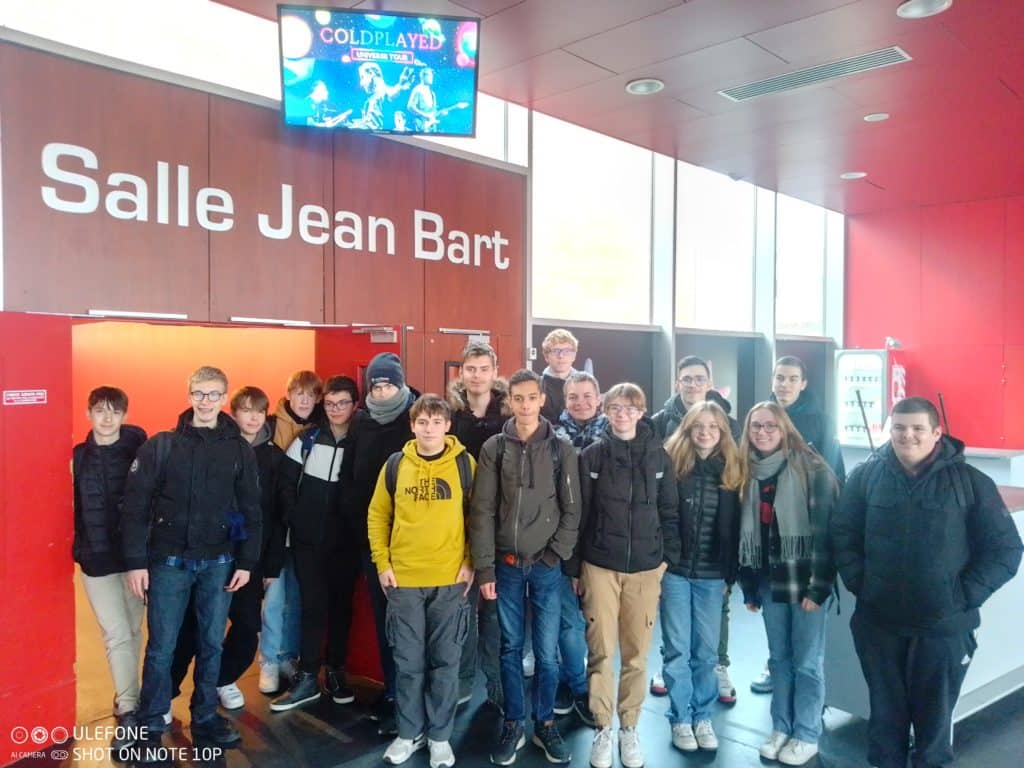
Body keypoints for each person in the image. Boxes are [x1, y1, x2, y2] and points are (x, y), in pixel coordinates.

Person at [832, 397, 1023, 768]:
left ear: (937, 433)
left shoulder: (972, 483)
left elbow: (1005, 550)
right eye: (900, 427)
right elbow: (843, 533)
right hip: (879, 624)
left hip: (943, 630)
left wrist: (961, 596)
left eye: (918, 428)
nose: (908, 436)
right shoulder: (865, 477)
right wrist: (862, 583)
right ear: (890, 429)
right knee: (884, 723)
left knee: (934, 732)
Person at [121, 366, 262, 759]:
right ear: (188, 396)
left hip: (218, 563)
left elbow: (253, 510)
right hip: (167, 562)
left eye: (213, 394)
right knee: (161, 647)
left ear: (223, 397)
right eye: (199, 393)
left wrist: (247, 561)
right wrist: (136, 562)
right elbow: (135, 507)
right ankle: (151, 723)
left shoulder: (238, 450)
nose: (205, 401)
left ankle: (204, 720)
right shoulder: (162, 446)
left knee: (212, 644)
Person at [469, 368, 581, 766]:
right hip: (507, 567)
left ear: (541, 400)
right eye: (518, 398)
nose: (525, 404)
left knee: (548, 654)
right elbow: (481, 511)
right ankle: (514, 722)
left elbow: (573, 510)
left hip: (547, 567)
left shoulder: (561, 448)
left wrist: (556, 555)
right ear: (510, 402)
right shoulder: (494, 448)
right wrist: (484, 569)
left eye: (532, 397)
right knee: (510, 649)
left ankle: (545, 723)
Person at [570, 383, 677, 768]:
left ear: (641, 411)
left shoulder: (660, 457)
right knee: (601, 652)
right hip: (600, 565)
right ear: (606, 411)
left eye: (629, 408)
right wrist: (575, 567)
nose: (621, 414)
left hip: (646, 569)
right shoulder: (593, 456)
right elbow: (580, 516)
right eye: (614, 407)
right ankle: (603, 727)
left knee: (636, 654)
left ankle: (629, 727)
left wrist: (665, 561)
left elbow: (670, 514)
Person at [368, 394, 475, 768]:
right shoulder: (396, 465)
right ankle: (408, 733)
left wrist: (470, 561)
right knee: (408, 663)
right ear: (412, 425)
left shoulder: (465, 465)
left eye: (436, 422)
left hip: (449, 580)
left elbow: (479, 517)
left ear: (447, 426)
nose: (429, 429)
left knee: (446, 662)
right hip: (404, 581)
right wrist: (383, 563)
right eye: (422, 422)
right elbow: (377, 516)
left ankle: (440, 737)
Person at [169, 386, 289, 712]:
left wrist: (270, 566)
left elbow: (278, 517)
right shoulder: (216, 447)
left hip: (250, 560)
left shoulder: (275, 457)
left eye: (259, 411)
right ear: (233, 413)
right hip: (209, 554)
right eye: (246, 410)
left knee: (248, 627)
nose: (253, 417)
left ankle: (222, 680)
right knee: (193, 625)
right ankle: (166, 693)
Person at [737, 401, 838, 766]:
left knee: (807, 663)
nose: (762, 432)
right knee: (779, 659)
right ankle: (781, 726)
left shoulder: (812, 470)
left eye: (769, 426)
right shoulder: (746, 471)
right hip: (768, 582)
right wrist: (749, 588)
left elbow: (827, 535)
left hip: (805, 581)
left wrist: (819, 587)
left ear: (784, 429)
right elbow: (747, 537)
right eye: (755, 426)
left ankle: (806, 733)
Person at [649, 356, 740, 705]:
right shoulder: (659, 424)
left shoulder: (728, 427)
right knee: (673, 616)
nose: (691, 384)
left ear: (709, 382)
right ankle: (671, 667)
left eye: (698, 378)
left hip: (713, 556)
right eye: (685, 379)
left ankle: (719, 664)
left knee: (717, 611)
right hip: (676, 551)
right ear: (677, 383)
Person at [271, 376, 362, 712]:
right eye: (330, 403)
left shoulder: (361, 441)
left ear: (354, 404)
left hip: (346, 544)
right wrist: (296, 519)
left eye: (343, 403)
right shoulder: (308, 439)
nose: (336, 410)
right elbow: (284, 484)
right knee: (312, 608)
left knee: (341, 609)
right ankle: (308, 675)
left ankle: (336, 671)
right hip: (308, 543)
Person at [660, 401, 742, 754]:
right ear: (688, 430)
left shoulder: (733, 471)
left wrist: (731, 574)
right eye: (698, 426)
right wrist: (667, 560)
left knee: (706, 653)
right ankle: (680, 718)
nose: (705, 432)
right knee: (677, 651)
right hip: (676, 573)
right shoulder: (673, 466)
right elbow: (663, 519)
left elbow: (739, 528)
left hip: (712, 576)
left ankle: (702, 716)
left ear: (722, 431)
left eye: (712, 426)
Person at [348, 352, 420, 736]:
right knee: (384, 623)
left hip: (412, 545)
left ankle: (411, 699)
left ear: (401, 383)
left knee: (410, 626)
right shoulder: (361, 422)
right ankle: (393, 691)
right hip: (372, 544)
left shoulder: (417, 418)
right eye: (376, 384)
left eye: (389, 383)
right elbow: (351, 476)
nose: (382, 390)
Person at [72, 386, 147, 752]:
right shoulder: (78, 458)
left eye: (114, 411)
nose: (106, 418)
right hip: (96, 560)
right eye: (99, 411)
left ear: (124, 415)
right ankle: (130, 709)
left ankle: (126, 695)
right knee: (116, 632)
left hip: (134, 561)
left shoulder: (140, 451)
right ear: (88, 414)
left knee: (133, 630)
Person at [447, 341, 507, 712]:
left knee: (496, 608)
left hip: (500, 521)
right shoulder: (450, 414)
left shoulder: (508, 414)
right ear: (461, 373)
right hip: (457, 522)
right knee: (463, 608)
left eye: (484, 368)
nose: (477, 375)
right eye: (471, 369)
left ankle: (498, 683)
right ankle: (464, 680)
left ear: (493, 372)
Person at [261, 370, 324, 692]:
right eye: (298, 393)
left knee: (297, 600)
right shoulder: (268, 427)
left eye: (310, 395)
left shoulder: (319, 431)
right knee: (274, 598)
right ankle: (269, 659)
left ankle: (288, 655)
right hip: (273, 527)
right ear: (288, 394)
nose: (303, 400)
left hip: (303, 531)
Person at [550, 371, 605, 725]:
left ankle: (598, 686)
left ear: (598, 398)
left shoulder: (617, 437)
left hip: (603, 545)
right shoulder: (552, 440)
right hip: (563, 542)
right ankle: (575, 684)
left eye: (587, 396)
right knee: (568, 623)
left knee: (600, 624)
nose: (581, 403)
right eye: (573, 397)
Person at [538, 328, 578, 424]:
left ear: (574, 356)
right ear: (546, 356)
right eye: (555, 351)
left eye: (567, 351)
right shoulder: (537, 385)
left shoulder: (585, 385)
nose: (561, 356)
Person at [407, 67, 438, 132]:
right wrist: (424, 115)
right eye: (429, 75)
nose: (432, 77)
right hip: (422, 126)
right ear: (422, 76)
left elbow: (433, 112)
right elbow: (410, 106)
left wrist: (441, 113)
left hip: (432, 127)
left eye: (432, 75)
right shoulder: (418, 90)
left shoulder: (432, 93)